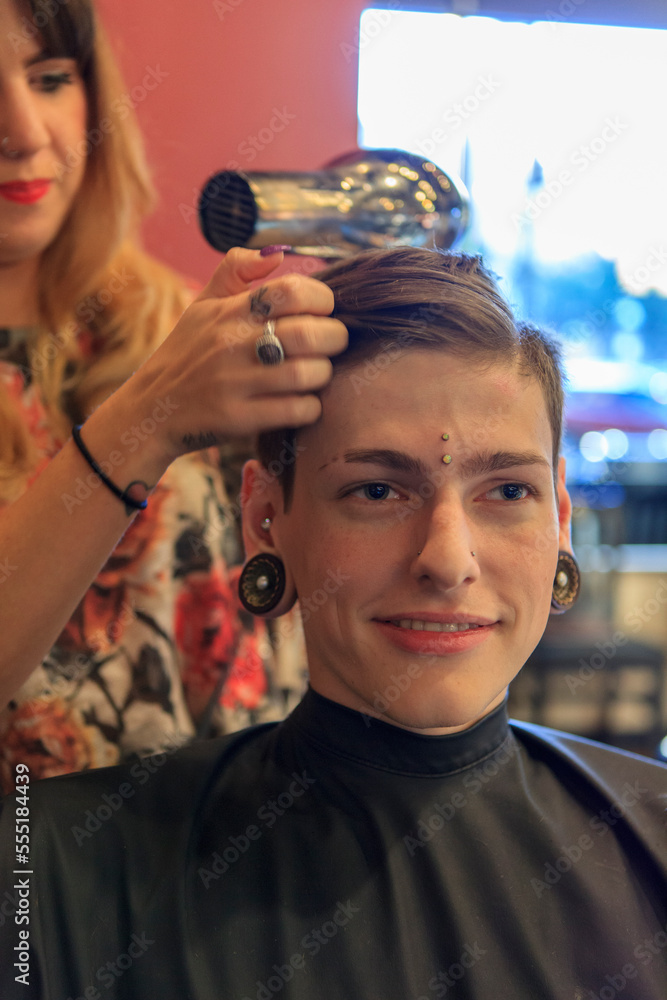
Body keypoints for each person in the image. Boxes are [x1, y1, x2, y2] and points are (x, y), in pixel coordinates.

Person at [1, 246, 666, 999]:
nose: (447, 560)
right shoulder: (58, 863)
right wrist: (143, 417)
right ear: (263, 518)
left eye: (508, 491)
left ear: (562, 520)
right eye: (377, 489)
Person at [0, 0, 345, 793]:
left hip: (244, 862)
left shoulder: (182, 324)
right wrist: (144, 420)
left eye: (50, 79)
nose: (22, 132)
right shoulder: (175, 370)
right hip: (35, 890)